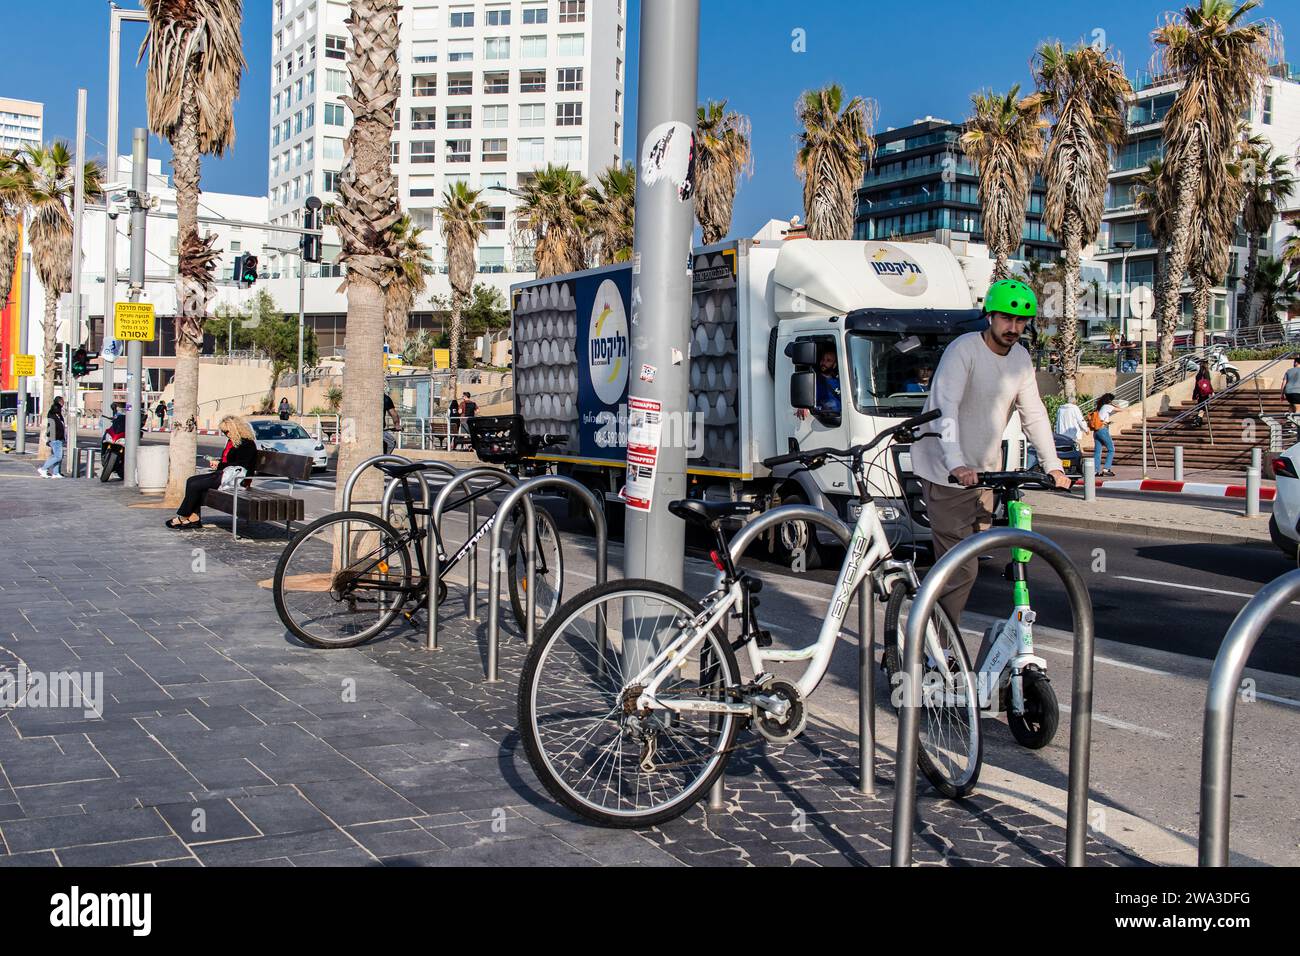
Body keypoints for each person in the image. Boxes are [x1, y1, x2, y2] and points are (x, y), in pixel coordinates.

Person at [910, 278, 1070, 625]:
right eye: (1005, 319)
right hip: (946, 474)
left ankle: (930, 630)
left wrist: (1053, 465)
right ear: (989, 317)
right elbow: (945, 409)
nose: (1013, 328)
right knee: (960, 569)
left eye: (1020, 321)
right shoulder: (964, 350)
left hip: (983, 475)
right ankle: (928, 646)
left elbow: (1035, 414)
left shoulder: (1021, 359)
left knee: (971, 561)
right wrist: (956, 463)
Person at [166, 415, 258, 530]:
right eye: (223, 432)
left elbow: (240, 465)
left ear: (235, 429)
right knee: (191, 480)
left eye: (227, 431)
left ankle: (184, 517)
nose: (226, 434)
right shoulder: (233, 442)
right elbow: (229, 462)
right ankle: (194, 517)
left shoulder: (246, 444)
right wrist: (218, 463)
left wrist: (219, 465)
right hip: (224, 475)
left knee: (195, 485)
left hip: (237, 480)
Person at [795, 345, 841, 420]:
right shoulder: (812, 380)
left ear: (834, 365)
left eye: (828, 360)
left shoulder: (839, 381)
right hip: (825, 418)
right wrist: (803, 406)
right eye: (823, 359)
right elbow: (804, 398)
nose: (824, 362)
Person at [38, 396, 67, 479]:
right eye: (62, 402)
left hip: (59, 438)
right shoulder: (53, 413)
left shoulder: (58, 415)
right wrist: (57, 405)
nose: (63, 403)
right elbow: (54, 408)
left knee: (58, 456)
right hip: (55, 438)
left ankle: (56, 473)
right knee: (58, 456)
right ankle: (43, 469)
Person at [1089, 392, 1117, 478]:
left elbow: (1101, 419)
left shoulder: (1100, 408)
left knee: (1098, 451)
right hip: (1102, 430)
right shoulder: (1107, 406)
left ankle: (1095, 471)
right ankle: (1106, 469)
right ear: (1109, 400)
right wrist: (1113, 404)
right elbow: (1120, 409)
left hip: (1096, 431)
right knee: (1111, 449)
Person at [1193, 361, 1214, 426]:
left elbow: (1196, 385)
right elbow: (1208, 383)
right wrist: (1212, 391)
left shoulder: (1198, 374)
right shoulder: (1206, 372)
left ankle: (1199, 420)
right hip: (1205, 393)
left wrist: (1194, 394)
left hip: (1199, 393)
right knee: (1204, 407)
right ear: (1206, 365)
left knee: (1201, 406)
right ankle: (1198, 419)